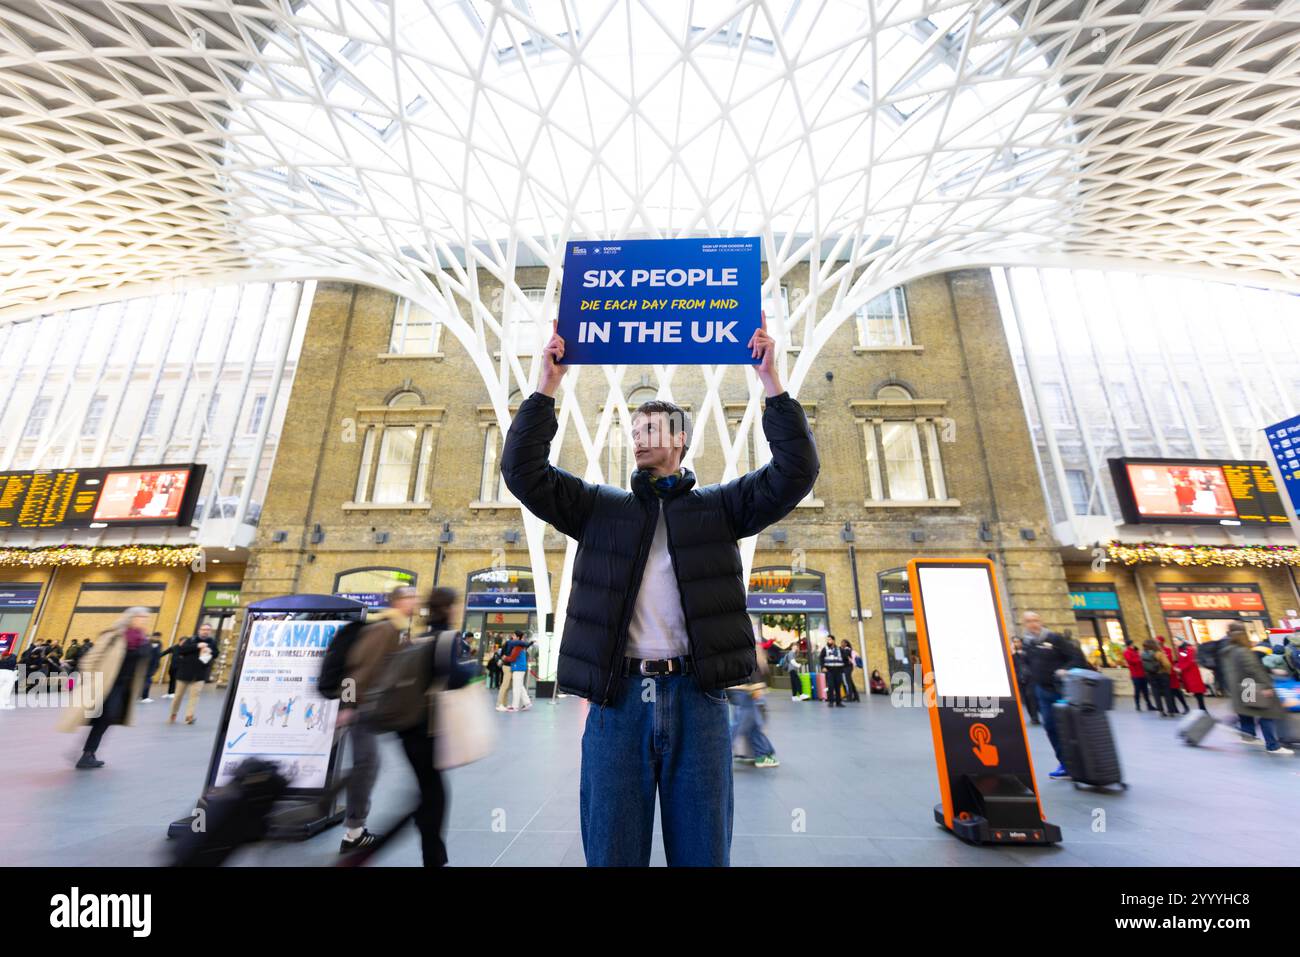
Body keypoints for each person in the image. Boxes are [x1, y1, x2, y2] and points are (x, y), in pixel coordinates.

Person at [500, 314, 818, 867]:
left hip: (699, 700)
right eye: (635, 431)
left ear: (681, 439)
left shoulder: (719, 508)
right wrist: (546, 386)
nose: (639, 438)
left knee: (702, 851)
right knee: (612, 851)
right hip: (616, 702)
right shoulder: (599, 509)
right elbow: (523, 471)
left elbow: (795, 471)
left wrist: (772, 384)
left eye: (651, 429)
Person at [391, 586, 477, 867]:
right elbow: (454, 676)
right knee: (435, 795)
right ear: (449, 608)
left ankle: (427, 840)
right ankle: (433, 857)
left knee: (428, 789)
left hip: (407, 730)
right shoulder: (448, 638)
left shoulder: (419, 638)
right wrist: (474, 668)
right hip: (427, 731)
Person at [337, 584, 420, 853]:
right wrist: (348, 704)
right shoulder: (384, 629)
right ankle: (353, 832)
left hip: (375, 710)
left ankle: (353, 826)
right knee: (366, 766)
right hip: (363, 709)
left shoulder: (398, 630)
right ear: (397, 601)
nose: (415, 601)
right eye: (410, 597)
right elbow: (357, 667)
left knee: (367, 765)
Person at [58, 608, 151, 768]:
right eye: (141, 617)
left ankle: (87, 753)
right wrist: (92, 680)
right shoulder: (114, 636)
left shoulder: (142, 640)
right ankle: (87, 753)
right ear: (131, 618)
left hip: (124, 686)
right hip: (104, 684)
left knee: (105, 719)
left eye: (146, 617)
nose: (144, 620)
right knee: (105, 716)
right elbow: (89, 660)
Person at [1020, 611, 1090, 779]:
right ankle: (1065, 764)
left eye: (1036, 620)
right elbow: (1028, 662)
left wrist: (1064, 670)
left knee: (1070, 727)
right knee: (1051, 727)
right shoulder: (1027, 643)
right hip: (1042, 690)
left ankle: (1084, 762)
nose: (1033, 624)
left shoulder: (1054, 638)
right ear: (1024, 624)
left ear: (1041, 621)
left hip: (1062, 690)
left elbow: (1077, 657)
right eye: (1029, 621)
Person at [1222, 622, 1293, 754]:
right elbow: (1253, 669)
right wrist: (1266, 686)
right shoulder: (1243, 651)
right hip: (1251, 685)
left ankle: (1248, 735)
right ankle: (1273, 745)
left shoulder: (1229, 650)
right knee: (1267, 713)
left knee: (1248, 710)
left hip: (1240, 686)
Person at [727, 645, 778, 768]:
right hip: (745, 689)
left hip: (737, 688)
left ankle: (761, 753)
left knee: (752, 724)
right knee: (741, 724)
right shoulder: (745, 642)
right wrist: (756, 686)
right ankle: (720, 752)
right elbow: (750, 662)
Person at [168, 623, 219, 725]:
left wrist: (211, 651)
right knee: (178, 696)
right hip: (184, 673)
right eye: (203, 629)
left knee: (195, 695)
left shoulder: (212, 642)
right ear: (199, 630)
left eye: (208, 630)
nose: (205, 631)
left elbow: (216, 654)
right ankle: (173, 713)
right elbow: (181, 650)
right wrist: (197, 646)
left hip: (199, 674)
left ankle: (189, 717)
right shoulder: (191, 640)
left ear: (210, 631)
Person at [1140, 639, 1174, 717]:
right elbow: (1167, 664)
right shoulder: (1159, 653)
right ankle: (1170, 710)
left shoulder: (1143, 654)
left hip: (1151, 675)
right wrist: (1167, 671)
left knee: (1156, 693)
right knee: (1167, 692)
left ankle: (1160, 710)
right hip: (1162, 674)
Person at [1173, 639, 1208, 712]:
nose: (1174, 642)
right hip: (1187, 673)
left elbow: (1190, 661)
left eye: (1176, 641)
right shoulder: (1181, 650)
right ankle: (1202, 708)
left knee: (1198, 691)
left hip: (1192, 673)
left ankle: (1203, 708)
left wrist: (1180, 668)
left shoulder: (1188, 649)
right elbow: (1181, 660)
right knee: (1196, 691)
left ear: (1181, 641)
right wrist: (1177, 666)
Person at [1122, 637, 1156, 711]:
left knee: (1145, 690)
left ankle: (1149, 705)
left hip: (1142, 673)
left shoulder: (1136, 651)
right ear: (1129, 645)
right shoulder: (1127, 652)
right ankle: (1137, 705)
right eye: (1132, 644)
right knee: (1137, 690)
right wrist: (1140, 659)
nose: (1133, 645)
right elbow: (1130, 661)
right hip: (1135, 674)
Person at [1012, 637, 1039, 724]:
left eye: (1018, 642)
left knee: (1030, 695)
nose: (1016, 644)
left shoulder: (1026, 652)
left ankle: (1035, 717)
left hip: (1029, 677)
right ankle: (1032, 716)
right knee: (1026, 699)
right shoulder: (1012, 654)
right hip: (1019, 678)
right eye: (1014, 642)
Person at [1160, 636, 1190, 715]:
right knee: (1170, 692)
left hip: (1171, 673)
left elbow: (1170, 660)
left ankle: (1185, 706)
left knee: (1176, 691)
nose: (1174, 642)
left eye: (1175, 641)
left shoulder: (1167, 650)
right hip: (1165, 674)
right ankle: (1174, 708)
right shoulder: (1159, 651)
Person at [505, 632, 534, 711]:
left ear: (518, 637)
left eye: (514, 635)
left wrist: (505, 658)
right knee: (520, 687)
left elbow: (512, 658)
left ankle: (515, 706)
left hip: (518, 668)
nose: (512, 636)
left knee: (516, 688)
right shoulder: (521, 645)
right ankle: (527, 703)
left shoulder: (517, 646)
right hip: (520, 668)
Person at [819, 637, 845, 707]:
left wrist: (843, 668)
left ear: (833, 640)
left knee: (838, 686)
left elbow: (844, 658)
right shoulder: (825, 649)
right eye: (827, 640)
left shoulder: (840, 649)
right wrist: (823, 667)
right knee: (830, 686)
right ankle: (830, 701)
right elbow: (821, 658)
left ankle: (838, 702)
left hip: (838, 670)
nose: (828, 641)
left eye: (829, 640)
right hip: (829, 670)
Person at [141, 632, 164, 703]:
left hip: (153, 665)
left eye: (159, 637)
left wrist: (157, 665)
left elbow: (158, 654)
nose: (158, 638)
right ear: (153, 636)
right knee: (147, 681)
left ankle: (143, 696)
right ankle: (144, 697)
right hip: (145, 665)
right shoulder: (147, 642)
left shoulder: (159, 644)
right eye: (156, 637)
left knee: (147, 680)